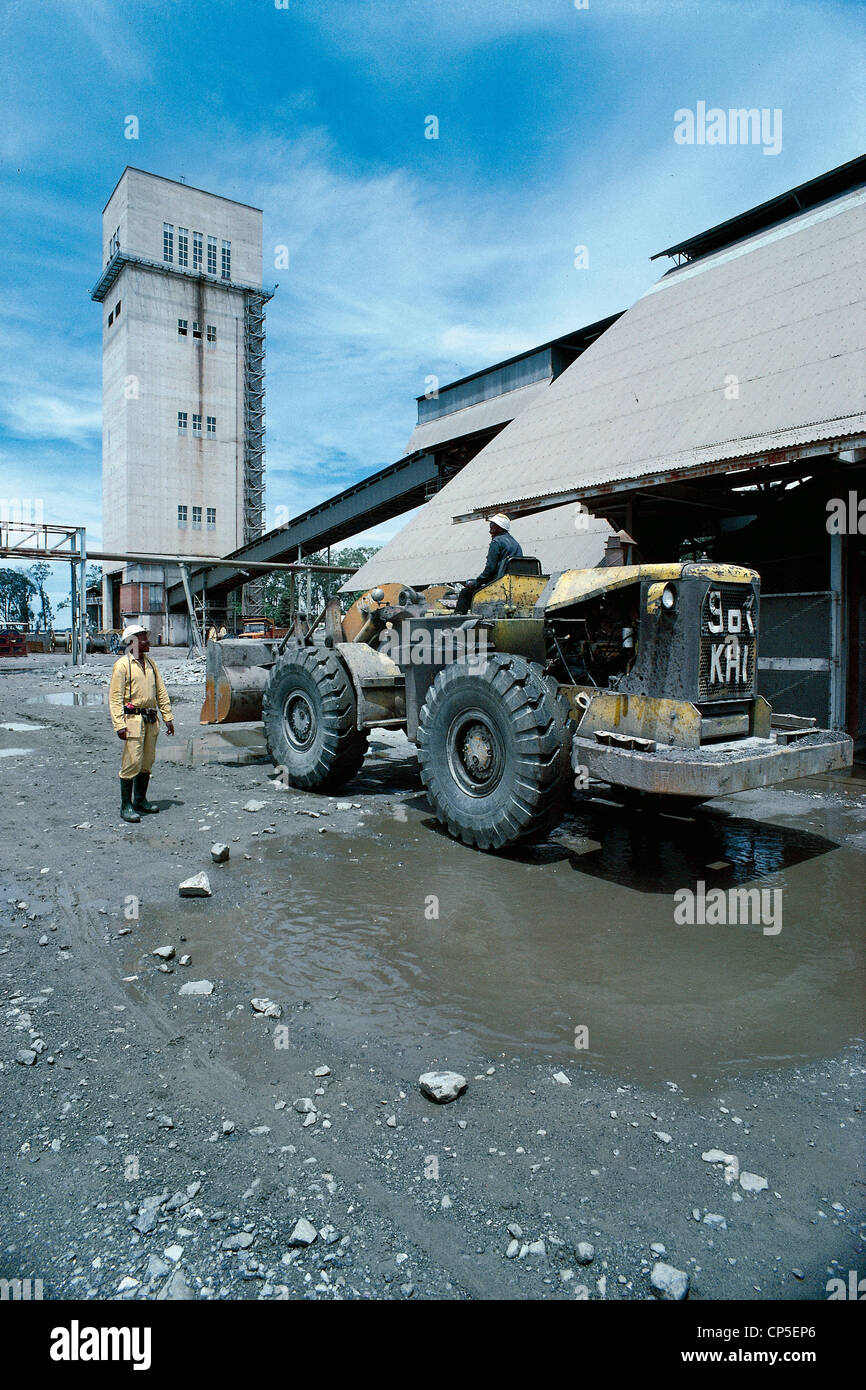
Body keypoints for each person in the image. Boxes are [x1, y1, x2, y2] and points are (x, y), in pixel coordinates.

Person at [109, 625, 175, 823]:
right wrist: (119, 724)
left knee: (147, 762)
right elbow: (115, 698)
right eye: (144, 638)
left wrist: (168, 717)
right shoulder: (122, 665)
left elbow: (161, 692)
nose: (148, 641)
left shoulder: (151, 664)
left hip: (150, 720)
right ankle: (126, 806)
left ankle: (140, 800)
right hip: (133, 722)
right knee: (132, 762)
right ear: (133, 642)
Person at [455, 514, 522, 615]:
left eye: (492, 527)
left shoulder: (496, 542)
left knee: (465, 593)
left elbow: (489, 570)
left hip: (499, 584)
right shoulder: (516, 544)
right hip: (514, 585)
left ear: (500, 528)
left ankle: (457, 623)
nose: (490, 531)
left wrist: (475, 583)